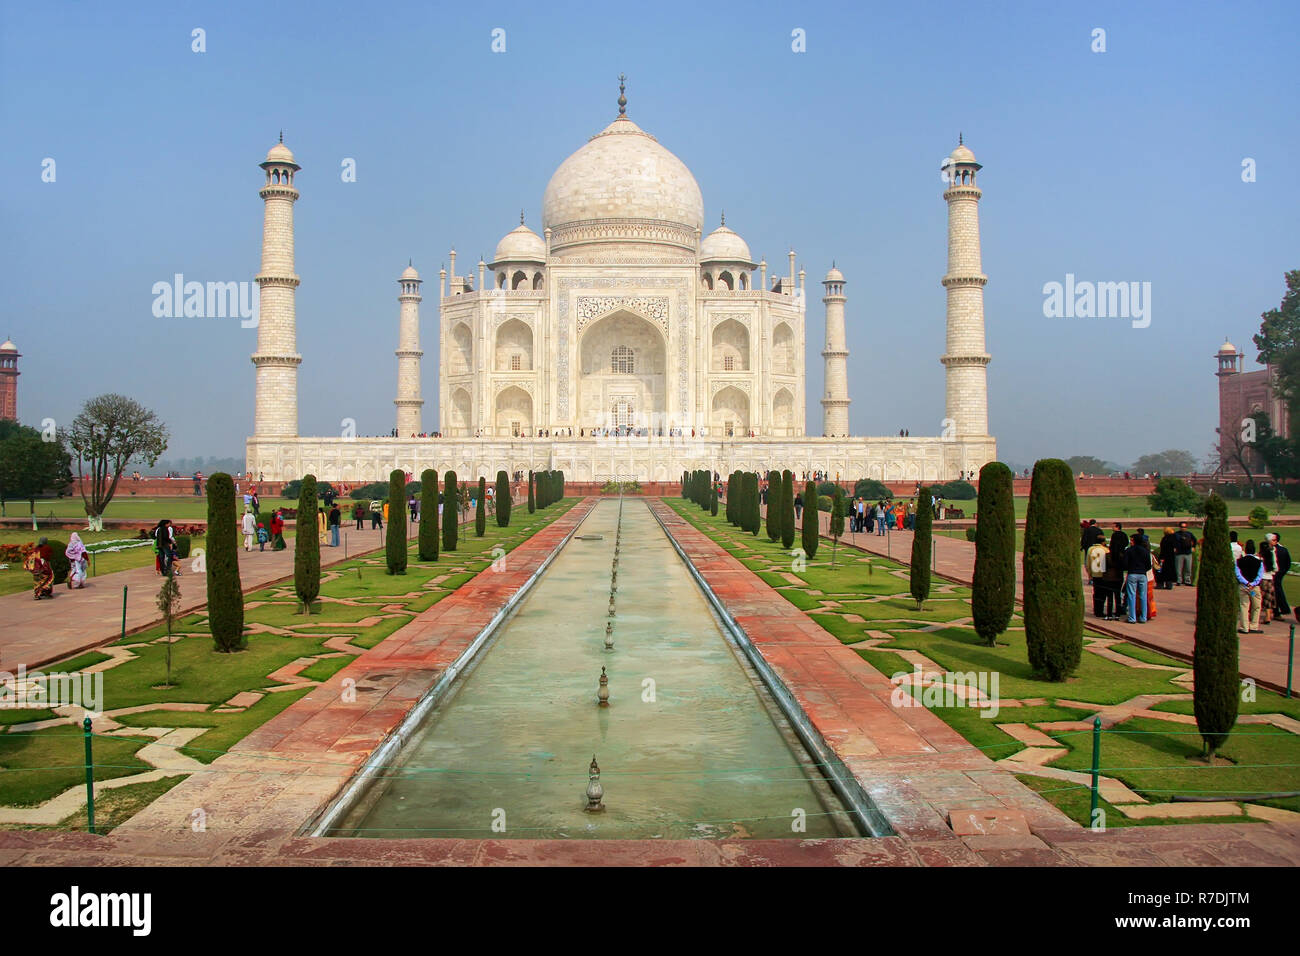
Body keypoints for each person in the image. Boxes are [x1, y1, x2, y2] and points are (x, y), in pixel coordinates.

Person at [1236, 540, 1264, 634]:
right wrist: (1253, 584)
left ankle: (1244, 627)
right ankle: (1253, 625)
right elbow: (1260, 575)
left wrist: (1246, 583)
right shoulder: (1259, 562)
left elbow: (1238, 574)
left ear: (1245, 550)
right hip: (1254, 588)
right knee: (1256, 606)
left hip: (1243, 586)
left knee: (1244, 606)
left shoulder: (1239, 561)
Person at [1123, 533, 1152, 623]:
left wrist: (1129, 568)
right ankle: (1143, 617)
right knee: (1143, 596)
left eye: (1131, 540)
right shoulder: (1145, 551)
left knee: (1132, 596)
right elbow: (1148, 565)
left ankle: (1132, 617)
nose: (1130, 542)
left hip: (1132, 573)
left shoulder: (1129, 550)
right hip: (1142, 574)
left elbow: (1125, 563)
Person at [1086, 535, 1111, 618]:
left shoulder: (1090, 549)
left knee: (1096, 592)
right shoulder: (1106, 550)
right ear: (1103, 542)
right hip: (1103, 574)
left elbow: (1088, 563)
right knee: (1103, 593)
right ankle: (1100, 610)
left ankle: (1096, 610)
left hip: (1095, 573)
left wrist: (1089, 574)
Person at [1270, 533, 1292, 618]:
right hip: (1280, 573)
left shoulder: (1272, 550)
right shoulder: (1284, 550)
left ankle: (1279, 610)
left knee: (1275, 592)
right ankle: (1281, 609)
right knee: (1277, 591)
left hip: (1273, 574)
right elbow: (1288, 564)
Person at [1259, 537, 1277, 625]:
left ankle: (1253, 615)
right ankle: (1268, 617)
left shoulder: (1261, 558)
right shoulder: (1271, 557)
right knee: (1268, 599)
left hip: (1262, 579)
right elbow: (1276, 568)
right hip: (1270, 579)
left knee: (1257, 597)